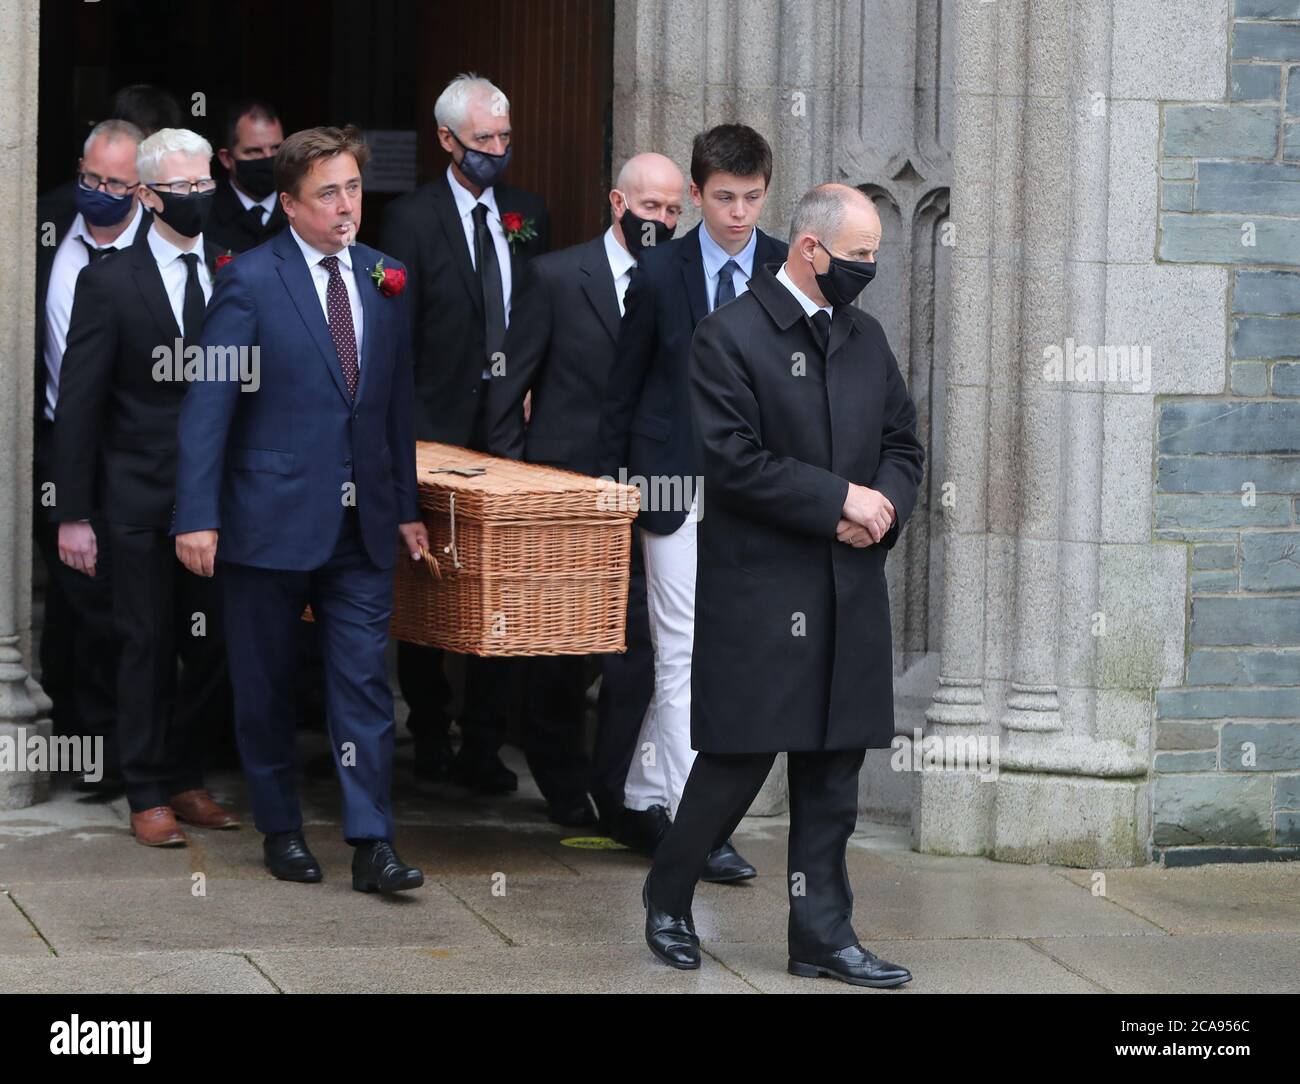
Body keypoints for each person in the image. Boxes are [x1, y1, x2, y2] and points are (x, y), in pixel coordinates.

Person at [642, 183, 925, 987]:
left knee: (834, 771)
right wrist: (838, 500)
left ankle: (822, 937)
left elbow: (903, 443)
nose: (870, 268)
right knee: (735, 761)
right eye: (861, 255)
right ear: (811, 249)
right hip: (765, 590)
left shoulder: (866, 339)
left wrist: (883, 511)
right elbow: (733, 461)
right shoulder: (728, 337)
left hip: (850, 582)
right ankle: (668, 895)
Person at [173, 125, 427, 894]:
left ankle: (371, 840)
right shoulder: (248, 280)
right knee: (267, 681)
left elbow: (394, 408)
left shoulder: (386, 278)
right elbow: (208, 406)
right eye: (327, 193)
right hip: (268, 517)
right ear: (289, 204)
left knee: (363, 685)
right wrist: (196, 514)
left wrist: (406, 506)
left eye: (352, 188)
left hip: (363, 525)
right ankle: (281, 827)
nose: (346, 205)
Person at [597, 124, 784, 881]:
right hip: (669, 482)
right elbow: (623, 388)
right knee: (679, 654)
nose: (739, 213)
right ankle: (694, 826)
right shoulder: (660, 270)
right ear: (697, 195)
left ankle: (643, 789)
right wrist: (614, 484)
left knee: (728, 652)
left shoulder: (784, 266)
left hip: (754, 492)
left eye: (753, 197)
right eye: (724, 198)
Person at [485, 152, 683, 828]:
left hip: (642, 496)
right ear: (617, 203)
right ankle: (563, 782)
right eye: (651, 206)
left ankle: (620, 785)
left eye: (675, 210)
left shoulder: (681, 286)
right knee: (560, 654)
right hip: (560, 498)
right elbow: (509, 392)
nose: (663, 219)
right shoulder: (555, 275)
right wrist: (516, 492)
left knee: (637, 649)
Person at [52, 128, 236, 846]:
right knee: (146, 642)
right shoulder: (110, 280)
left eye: (205, 188)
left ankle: (187, 773)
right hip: (135, 498)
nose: (198, 200)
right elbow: (80, 404)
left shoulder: (232, 267)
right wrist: (73, 512)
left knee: (215, 642)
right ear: (149, 195)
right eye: (184, 191)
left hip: (218, 500)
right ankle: (147, 787)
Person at [379, 73, 549, 794]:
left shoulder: (528, 213)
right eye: (484, 140)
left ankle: (485, 739)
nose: (498, 151)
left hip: (510, 433)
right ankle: (429, 730)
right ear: (447, 140)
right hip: (435, 430)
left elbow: (543, 308)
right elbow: (397, 338)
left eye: (506, 138)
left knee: (499, 584)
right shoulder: (410, 221)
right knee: (430, 583)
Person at [33, 119, 150, 790]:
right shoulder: (41, 226)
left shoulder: (164, 247)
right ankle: (82, 748)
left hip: (133, 450)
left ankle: (129, 749)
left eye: (116, 183)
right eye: (90, 178)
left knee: (126, 608)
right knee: (74, 601)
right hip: (54, 444)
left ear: (142, 188)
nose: (100, 192)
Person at [206, 98, 287, 256]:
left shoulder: (302, 208)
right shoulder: (205, 214)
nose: (268, 158)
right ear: (226, 158)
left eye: (276, 148)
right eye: (255, 151)